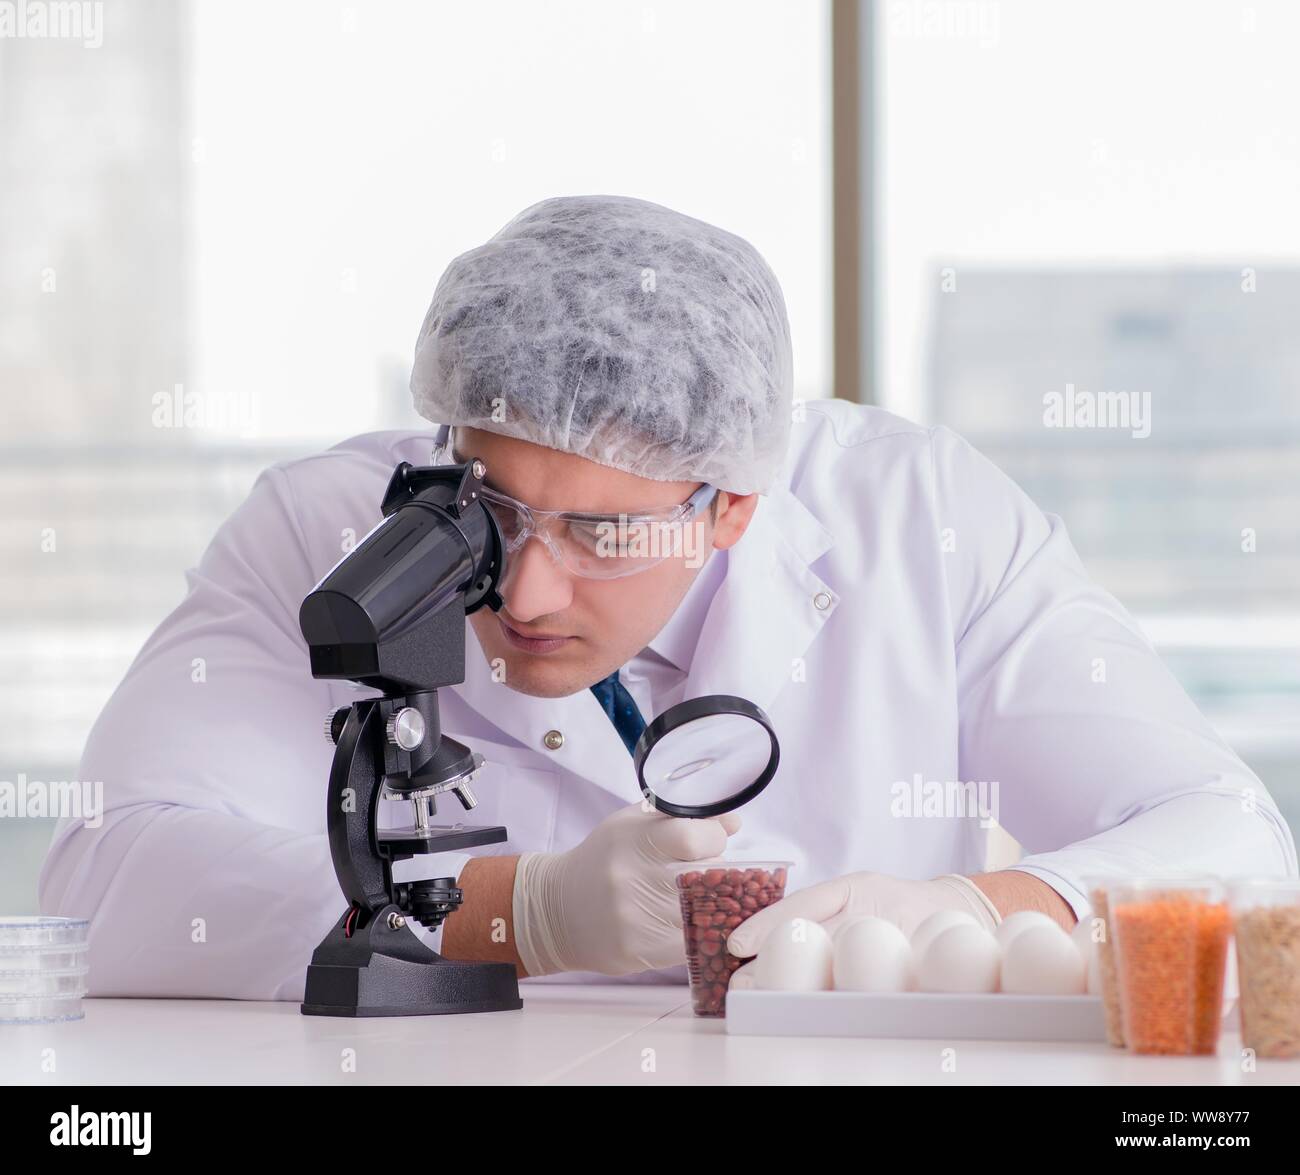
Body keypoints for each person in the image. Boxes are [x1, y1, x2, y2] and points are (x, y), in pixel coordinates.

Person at [40, 195, 1296, 998]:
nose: (528, 587)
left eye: (602, 529)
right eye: (491, 506)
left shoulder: (922, 523)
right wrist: (515, 911)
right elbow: (100, 875)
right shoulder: (322, 528)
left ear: (734, 502)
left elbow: (1227, 833)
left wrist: (964, 912)